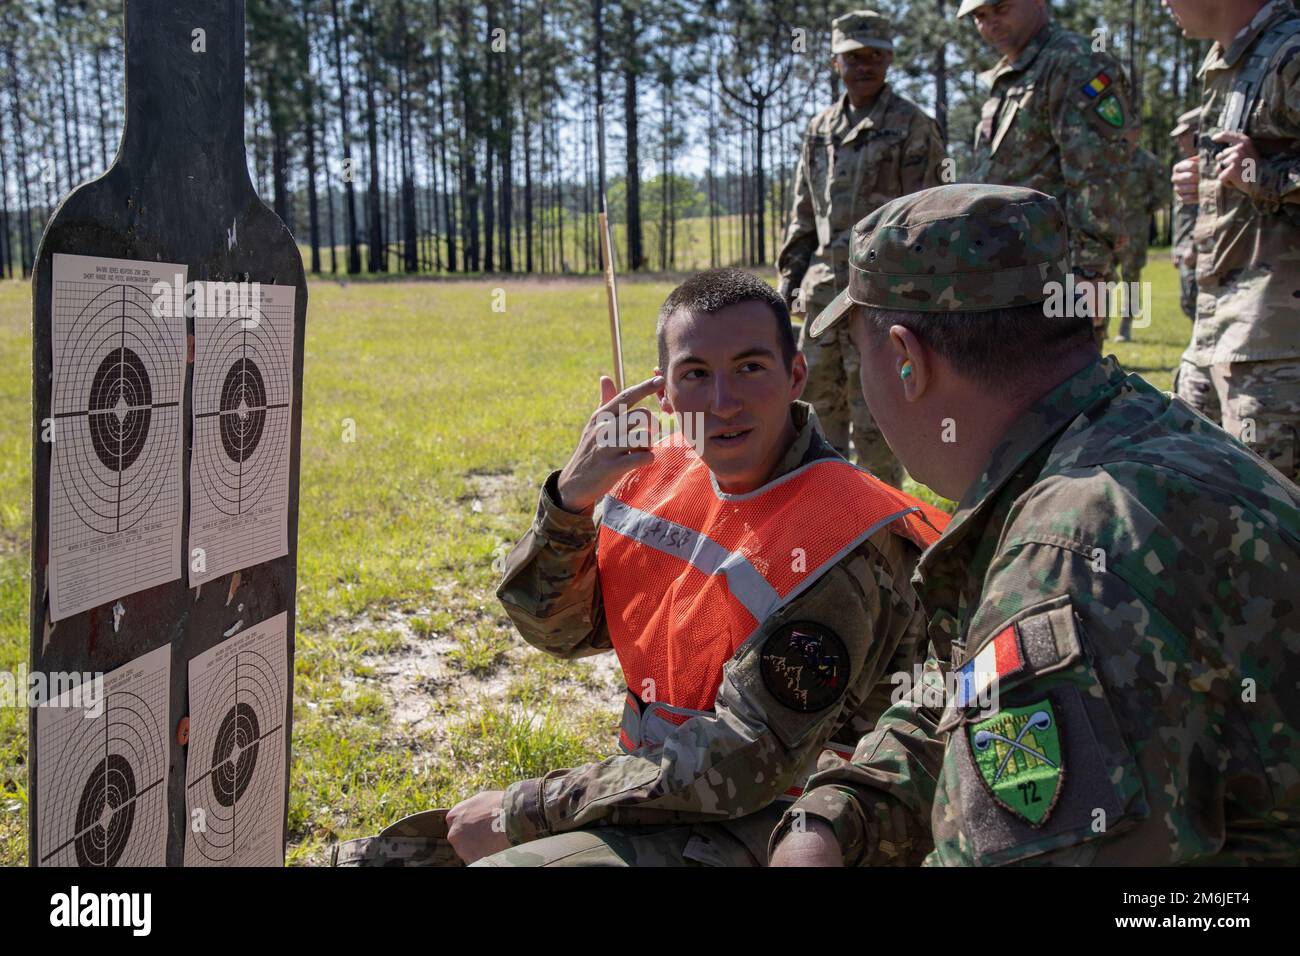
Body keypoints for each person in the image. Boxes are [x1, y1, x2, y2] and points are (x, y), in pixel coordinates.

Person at [764, 183, 1300, 866]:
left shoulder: (1062, 569)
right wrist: (835, 819)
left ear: (906, 359)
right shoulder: (1127, 432)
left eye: (857, 351)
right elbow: (959, 690)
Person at [446, 268, 948, 866]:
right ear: (664, 394)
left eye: (750, 368)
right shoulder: (659, 475)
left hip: (788, 830)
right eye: (695, 375)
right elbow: (560, 631)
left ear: (795, 376)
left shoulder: (840, 535)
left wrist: (524, 809)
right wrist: (571, 502)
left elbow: (744, 761)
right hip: (667, 796)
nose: (723, 401)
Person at [777, 9, 947, 486]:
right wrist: (788, 282)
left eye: (875, 55)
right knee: (814, 421)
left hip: (883, 302)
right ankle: (822, 523)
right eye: (854, 57)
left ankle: (880, 536)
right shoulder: (819, 129)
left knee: (878, 426)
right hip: (822, 300)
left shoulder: (914, 126)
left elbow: (929, 220)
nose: (865, 65)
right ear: (836, 63)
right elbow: (804, 214)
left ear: (890, 58)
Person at [1168, 0, 1300, 483]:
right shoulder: (1228, 60)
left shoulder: (1291, 51)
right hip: (1215, 332)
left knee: (1276, 525)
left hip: (1278, 347)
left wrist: (1265, 177)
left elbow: (1259, 174)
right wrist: (1203, 181)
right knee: (1205, 508)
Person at [960, 0, 1134, 347]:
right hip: (1003, 277)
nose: (990, 22)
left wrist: (1091, 271)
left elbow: (1097, 172)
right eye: (980, 16)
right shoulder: (1009, 78)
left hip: (1055, 280)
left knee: (1062, 397)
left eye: (1000, 7)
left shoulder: (1074, 62)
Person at [1115, 138, 1166, 342]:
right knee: (1101, 275)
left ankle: (1125, 326)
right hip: (1107, 226)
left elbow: (1163, 193)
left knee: (1131, 279)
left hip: (1134, 229)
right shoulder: (1109, 155)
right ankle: (1098, 326)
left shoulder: (1148, 162)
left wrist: (1144, 211)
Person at [1169, 106, 1202, 322]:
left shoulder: (1210, 168)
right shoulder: (1185, 168)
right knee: (1187, 302)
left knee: (1197, 303)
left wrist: (1194, 247)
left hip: (1199, 251)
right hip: (1185, 250)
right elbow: (1180, 215)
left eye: (1184, 136)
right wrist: (1176, 246)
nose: (1179, 142)